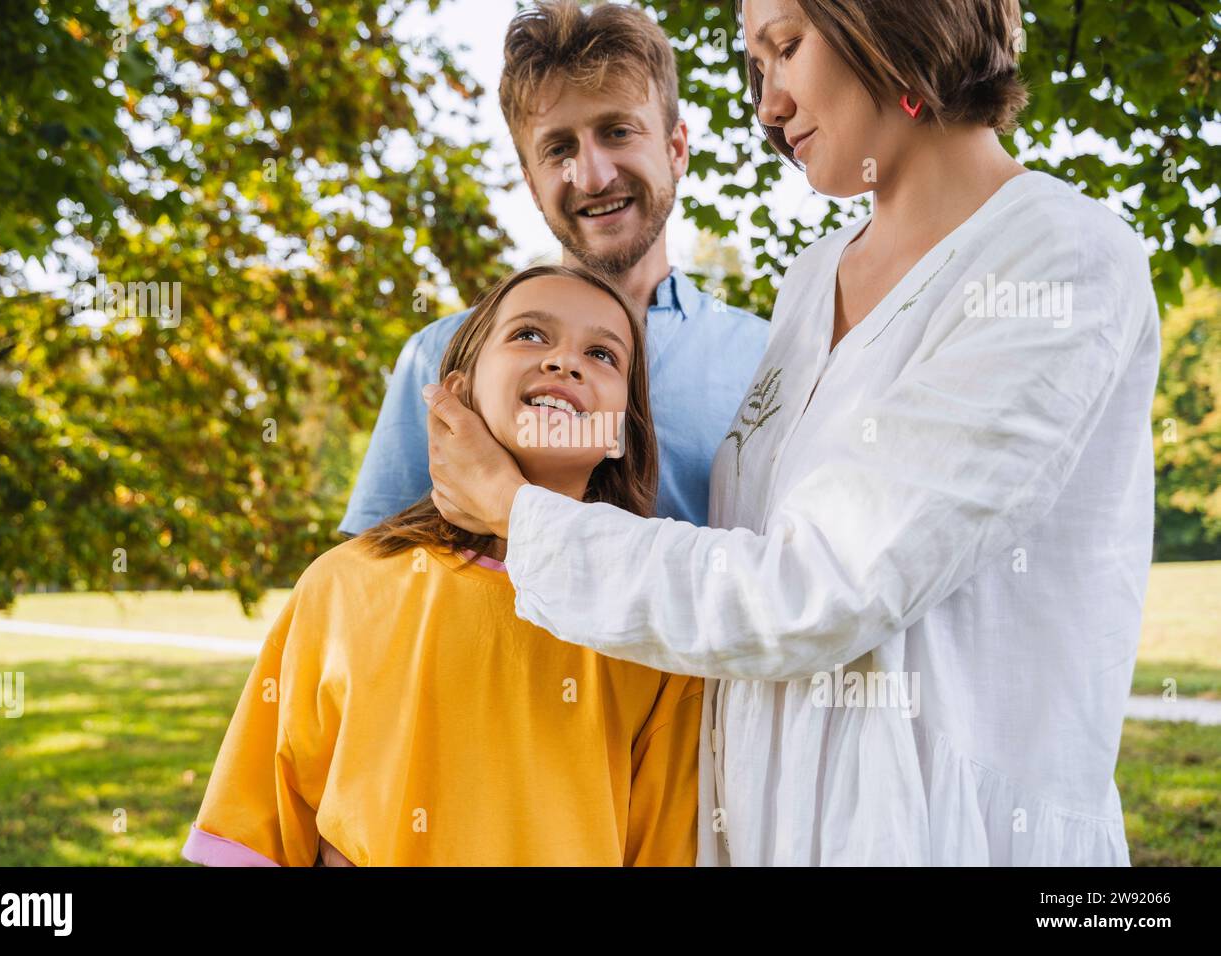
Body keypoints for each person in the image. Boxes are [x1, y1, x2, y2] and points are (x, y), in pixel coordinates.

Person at [420, 0, 1161, 866]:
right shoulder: (813, 280)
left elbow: (822, 588)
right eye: (756, 66)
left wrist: (523, 515)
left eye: (786, 49)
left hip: (944, 835)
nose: (766, 106)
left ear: (893, 21)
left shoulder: (1058, 259)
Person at [182, 265, 703, 867]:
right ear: (457, 392)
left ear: (621, 433)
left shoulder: (653, 621)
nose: (564, 362)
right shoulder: (343, 584)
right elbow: (259, 830)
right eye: (531, 335)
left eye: (602, 354)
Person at [339, 0, 769, 537]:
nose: (591, 176)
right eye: (559, 148)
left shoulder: (768, 362)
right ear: (530, 180)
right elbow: (372, 587)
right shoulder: (437, 354)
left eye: (618, 132)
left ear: (676, 148)